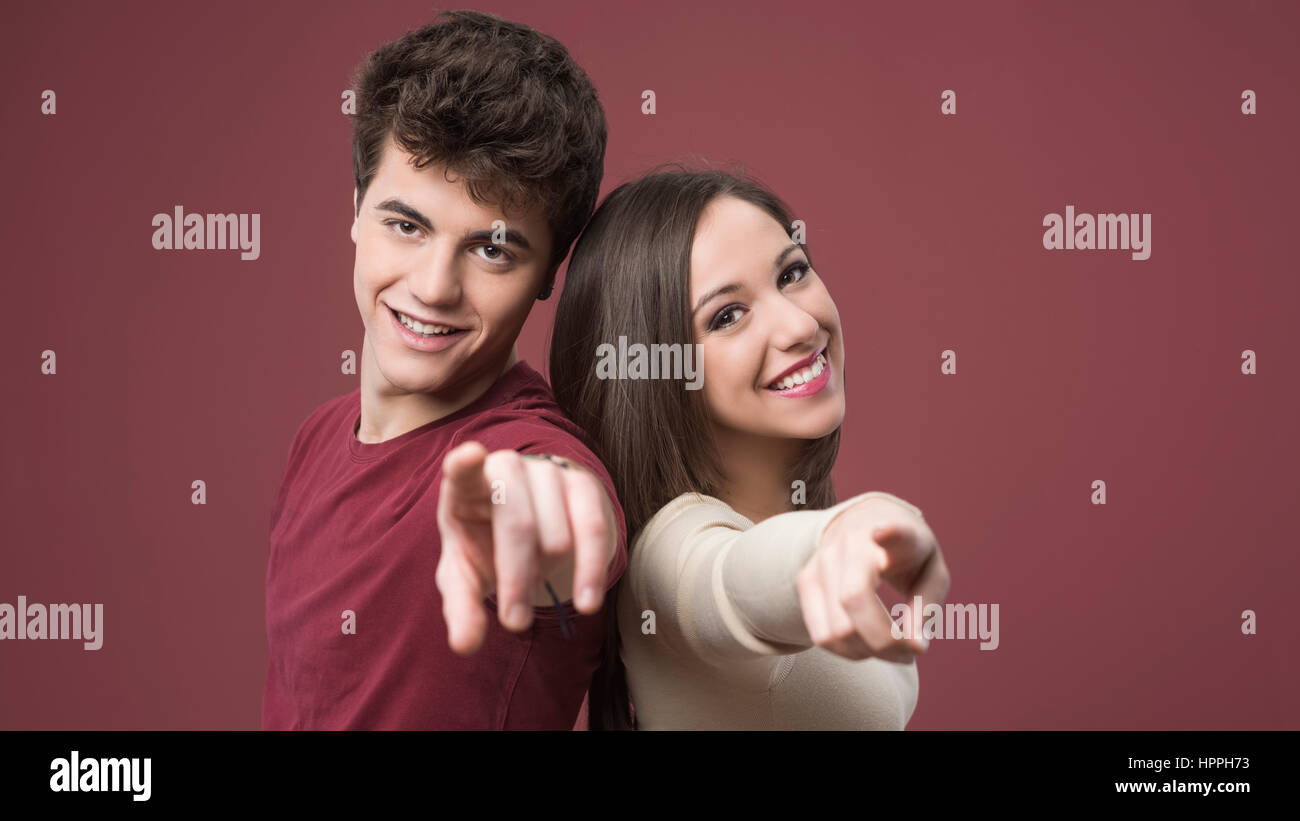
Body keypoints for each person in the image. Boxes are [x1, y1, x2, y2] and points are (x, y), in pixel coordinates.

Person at [262, 10, 627, 730]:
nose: (434, 286)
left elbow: (564, 510)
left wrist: (546, 512)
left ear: (548, 273)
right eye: (406, 224)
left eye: (492, 250)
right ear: (355, 212)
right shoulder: (318, 437)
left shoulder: (529, 453)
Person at [549, 166, 952, 729]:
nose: (798, 324)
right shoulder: (668, 554)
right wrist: (835, 538)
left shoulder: (780, 515)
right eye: (727, 316)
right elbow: (729, 585)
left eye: (791, 274)